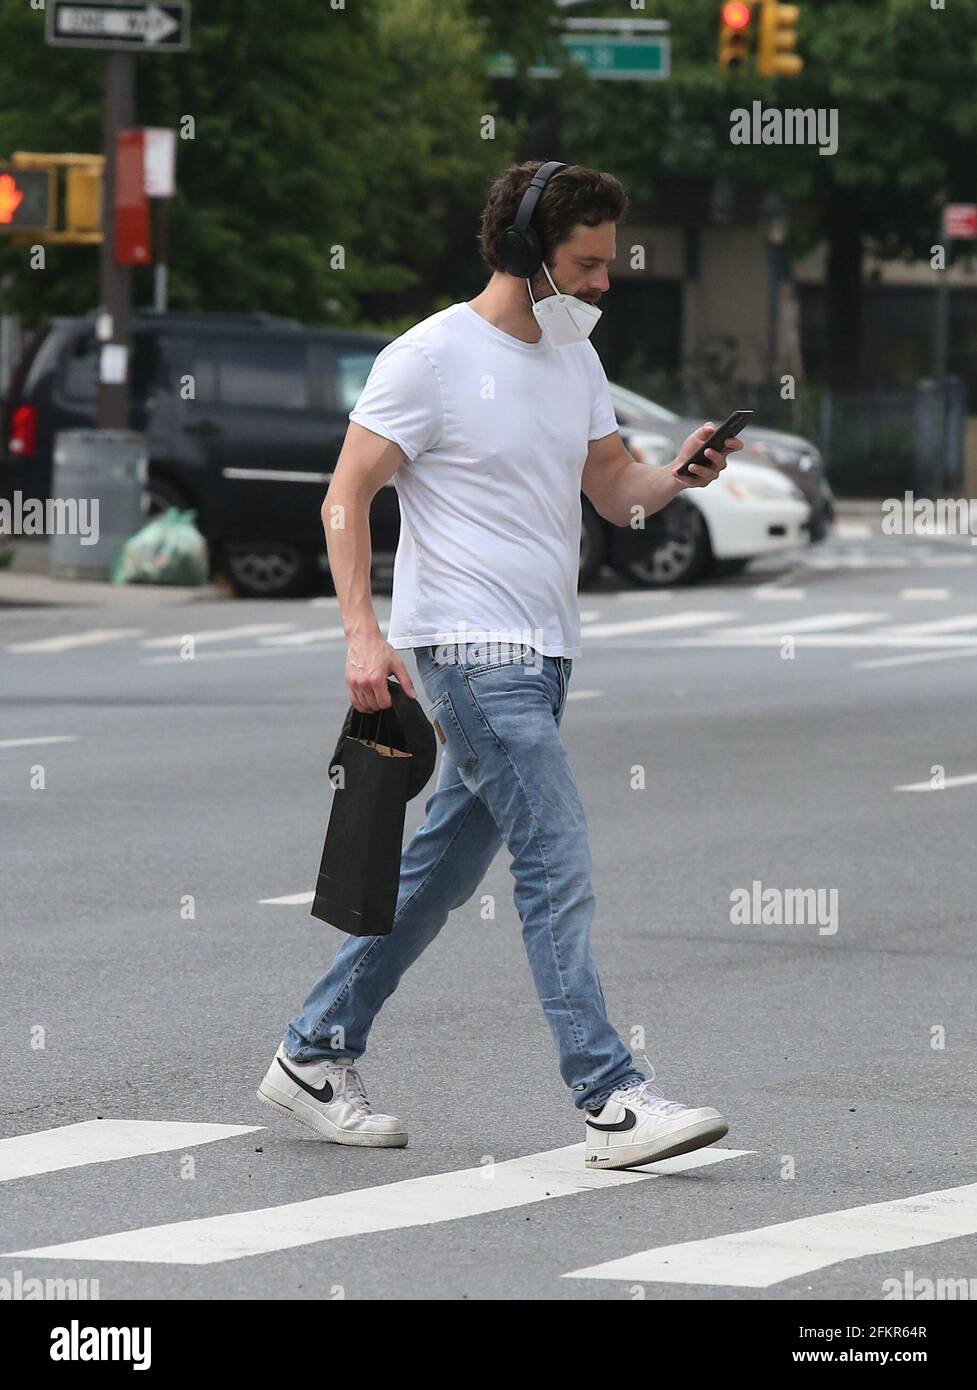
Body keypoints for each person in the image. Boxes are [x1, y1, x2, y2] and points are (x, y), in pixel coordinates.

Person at [258, 160, 743, 1169]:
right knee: (554, 855)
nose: (606, 284)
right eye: (588, 264)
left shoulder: (575, 364)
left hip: (545, 652)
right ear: (527, 254)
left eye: (609, 263)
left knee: (434, 878)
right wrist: (360, 632)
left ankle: (312, 1051)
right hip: (471, 653)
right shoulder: (428, 357)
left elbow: (615, 494)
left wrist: (677, 475)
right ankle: (608, 1096)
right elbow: (346, 494)